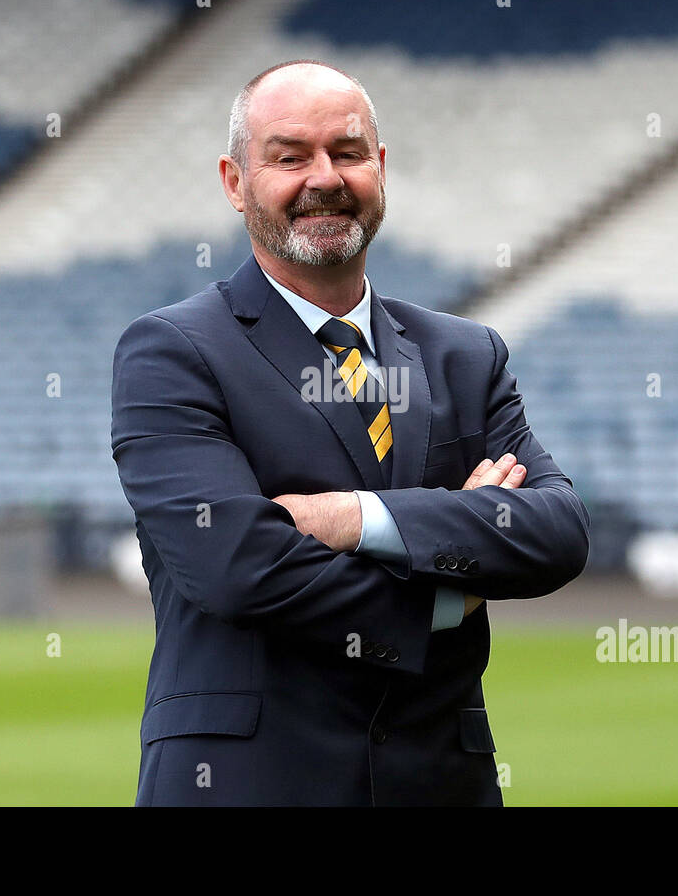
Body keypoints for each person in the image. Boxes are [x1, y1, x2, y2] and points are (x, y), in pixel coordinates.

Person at [111, 59, 590, 805]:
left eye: (348, 151)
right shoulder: (173, 352)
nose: (324, 178)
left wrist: (351, 518)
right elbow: (235, 566)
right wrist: (446, 590)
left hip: (440, 783)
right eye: (290, 156)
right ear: (236, 183)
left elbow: (557, 531)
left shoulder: (466, 355)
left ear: (382, 168)